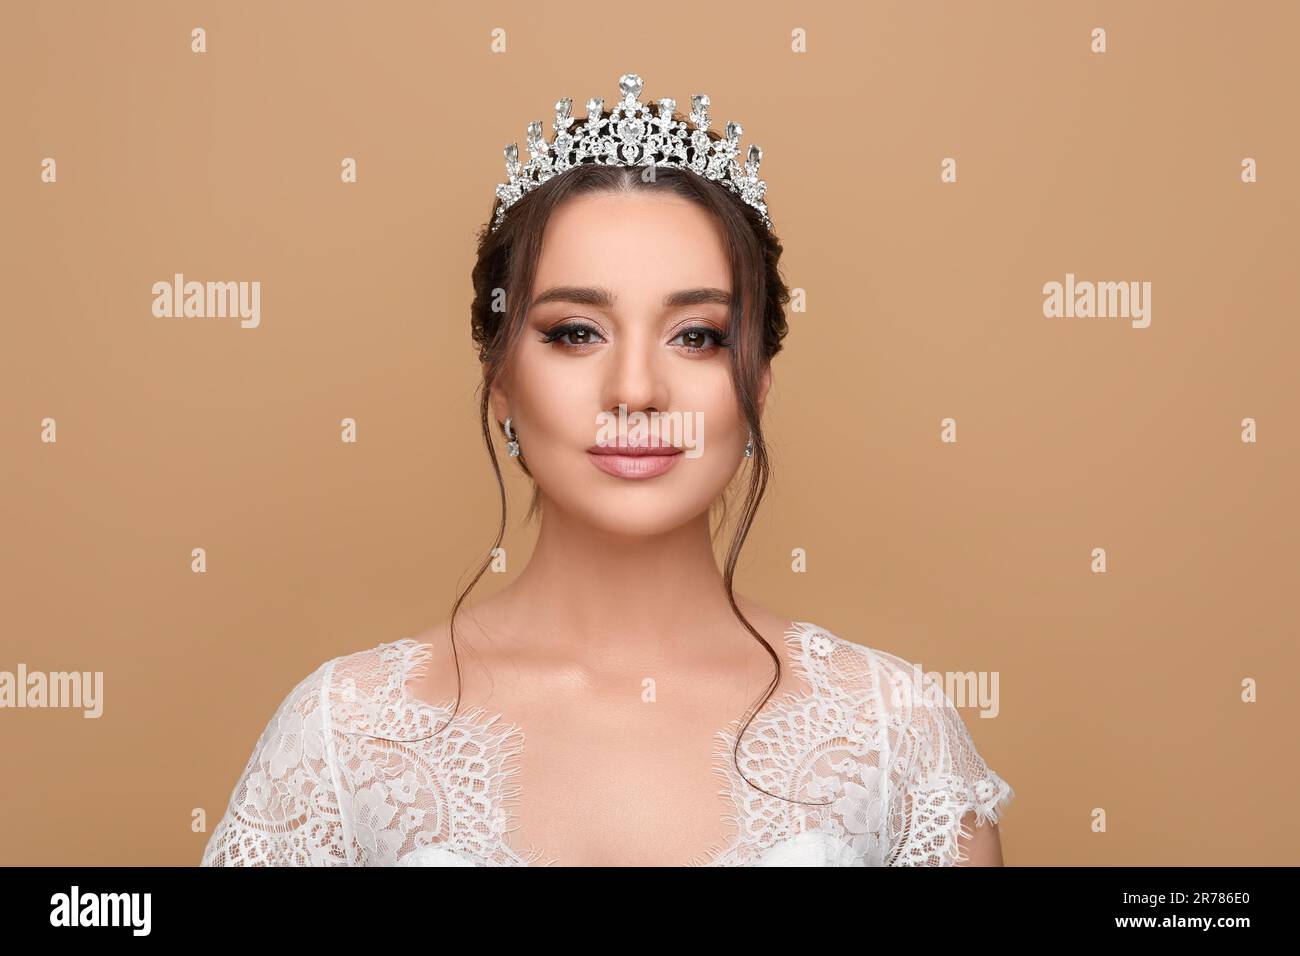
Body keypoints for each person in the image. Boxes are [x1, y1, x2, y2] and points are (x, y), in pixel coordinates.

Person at [200, 72, 1014, 867]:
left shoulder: (893, 731)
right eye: (575, 332)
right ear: (502, 386)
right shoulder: (343, 737)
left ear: (757, 385)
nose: (634, 390)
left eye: (696, 335)